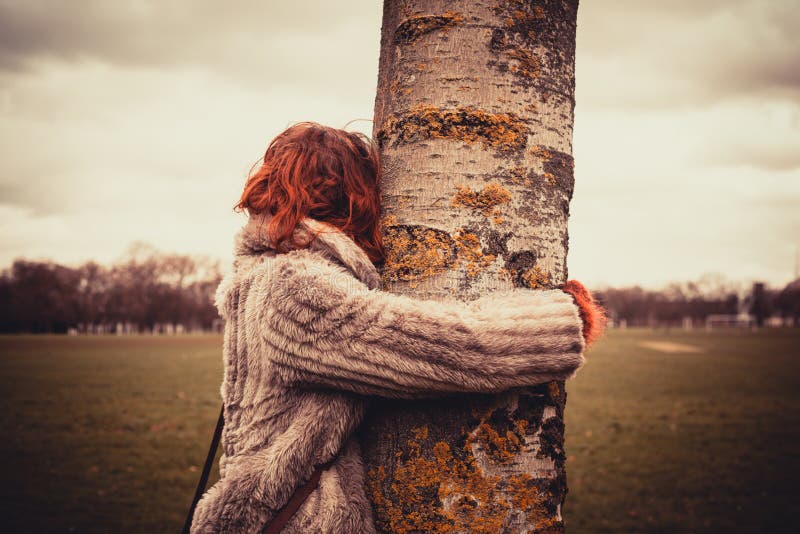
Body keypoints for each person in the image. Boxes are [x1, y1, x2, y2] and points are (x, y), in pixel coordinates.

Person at [189, 122, 605, 533]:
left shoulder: (262, 275)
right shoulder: (295, 289)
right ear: (353, 199)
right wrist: (563, 321)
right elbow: (450, 347)